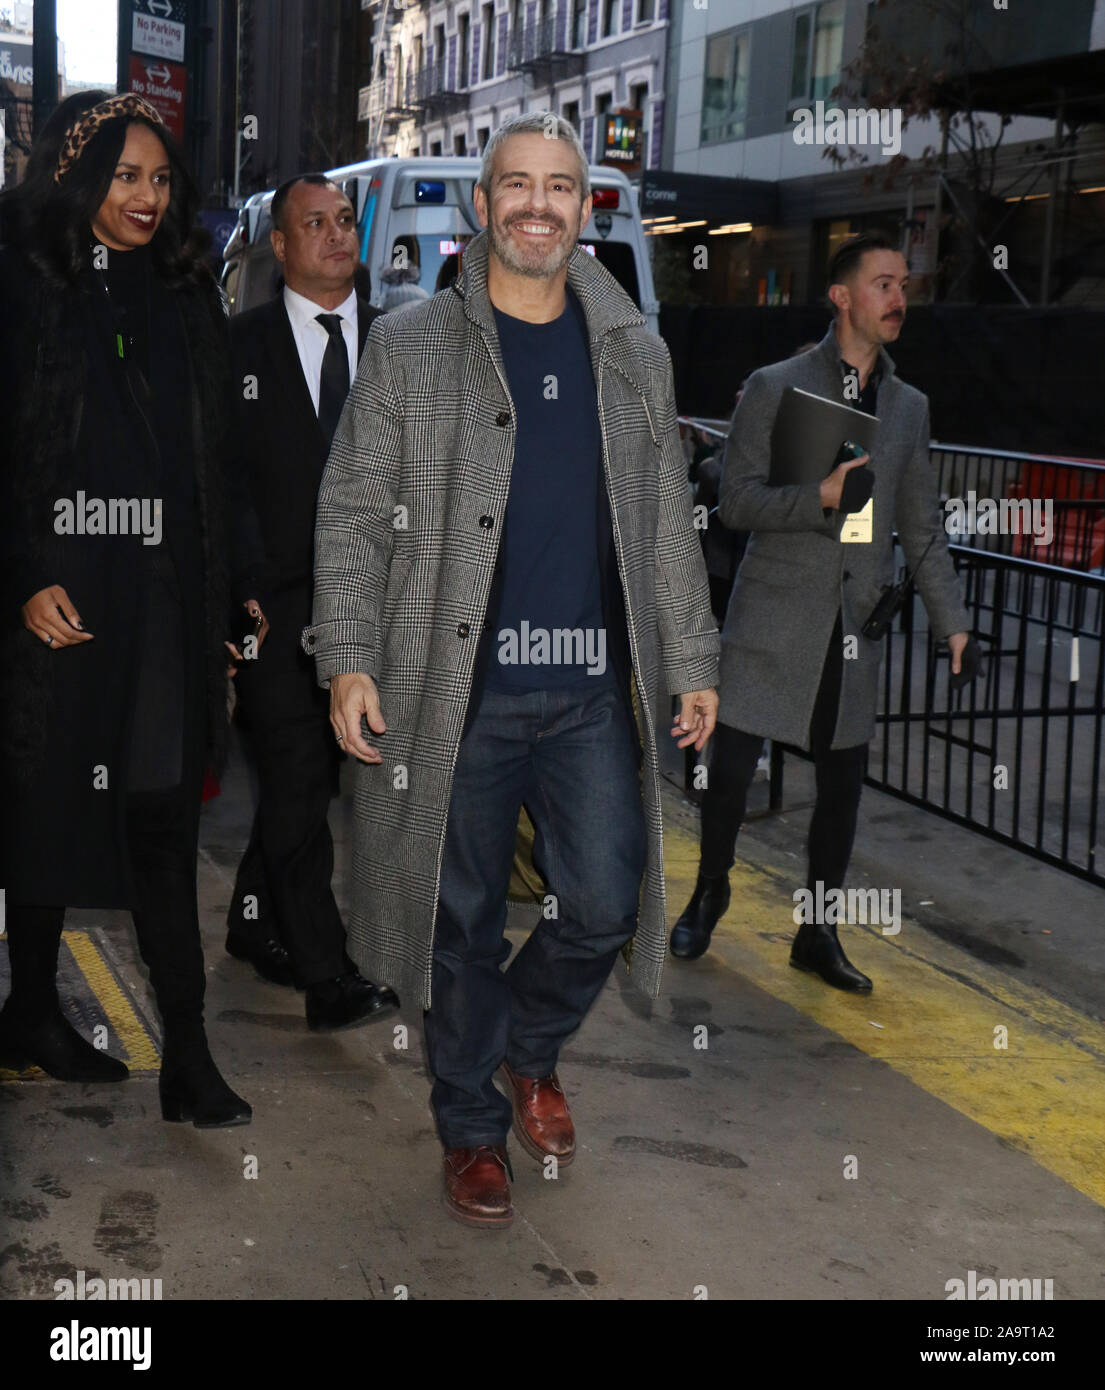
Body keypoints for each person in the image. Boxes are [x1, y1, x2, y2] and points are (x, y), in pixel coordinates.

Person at [304, 112, 719, 1227]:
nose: (538, 203)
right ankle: (471, 1128)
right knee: (461, 926)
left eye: (561, 187)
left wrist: (690, 657)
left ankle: (526, 1052)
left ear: (585, 211)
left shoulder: (633, 352)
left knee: (601, 899)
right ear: (484, 208)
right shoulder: (410, 346)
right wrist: (345, 656)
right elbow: (348, 517)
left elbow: (666, 524)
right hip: (454, 692)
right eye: (516, 185)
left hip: (588, 689)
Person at [0, 91, 255, 1126]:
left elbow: (216, 463)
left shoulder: (187, 293)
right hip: (57, 598)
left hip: (162, 601)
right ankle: (29, 1007)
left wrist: (235, 589)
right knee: (43, 812)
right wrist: (19, 575)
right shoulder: (26, 289)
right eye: (124, 176)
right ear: (79, 176)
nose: (147, 197)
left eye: (160, 179)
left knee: (157, 811)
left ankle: (187, 1054)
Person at [670, 230, 971, 991]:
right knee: (729, 774)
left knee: (840, 787)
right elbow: (733, 501)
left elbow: (921, 522)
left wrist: (954, 621)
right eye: (882, 284)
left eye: (903, 285)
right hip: (772, 615)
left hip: (852, 622)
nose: (898, 298)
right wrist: (821, 499)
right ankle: (710, 891)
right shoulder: (775, 385)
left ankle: (817, 931)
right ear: (841, 297)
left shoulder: (907, 407)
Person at [223, 173, 398, 1030]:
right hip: (274, 612)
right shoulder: (238, 349)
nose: (335, 235)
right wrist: (241, 591)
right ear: (281, 247)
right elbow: (221, 482)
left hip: (374, 608)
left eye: (343, 221)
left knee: (319, 778)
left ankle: (251, 921)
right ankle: (329, 978)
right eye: (314, 225)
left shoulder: (400, 343)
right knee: (296, 783)